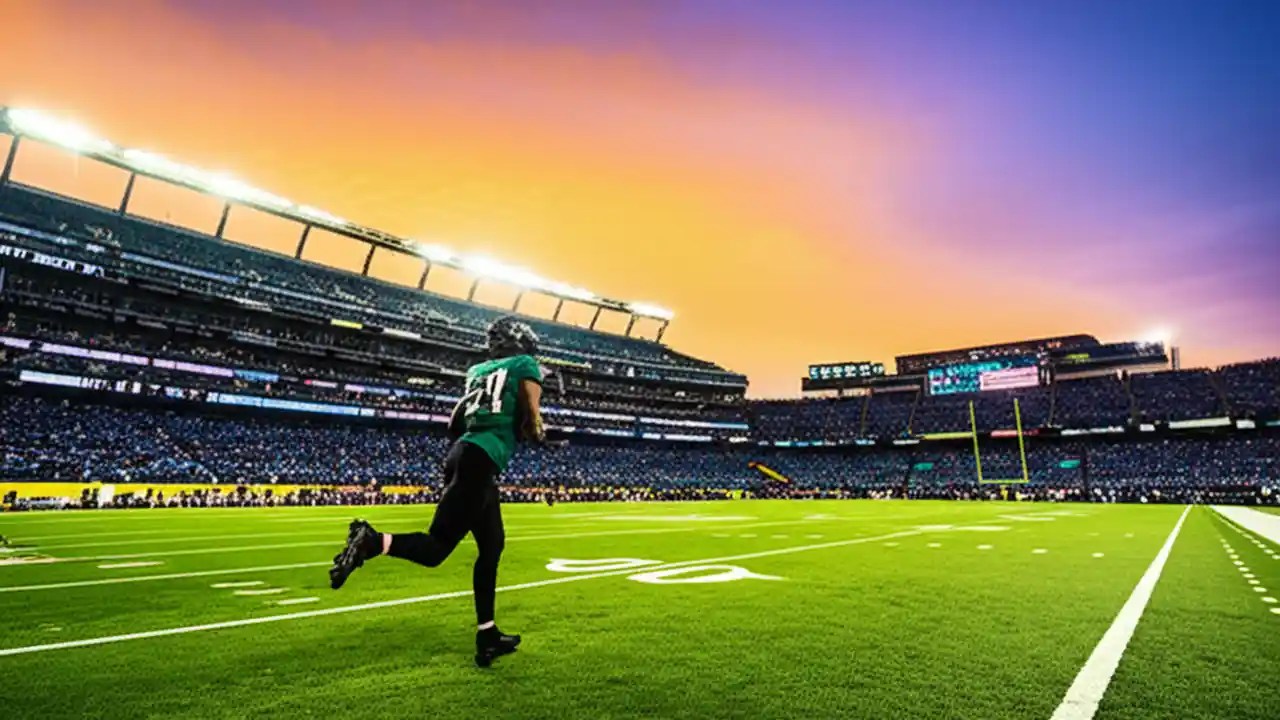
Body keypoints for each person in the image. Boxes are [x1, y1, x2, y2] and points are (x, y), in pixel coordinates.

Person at [328, 316, 555, 667]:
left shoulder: (477, 370)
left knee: (492, 546)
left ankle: (488, 634)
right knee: (436, 548)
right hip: (480, 460)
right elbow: (533, 419)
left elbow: (456, 423)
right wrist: (540, 435)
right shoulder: (525, 364)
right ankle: (372, 541)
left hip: (465, 453)